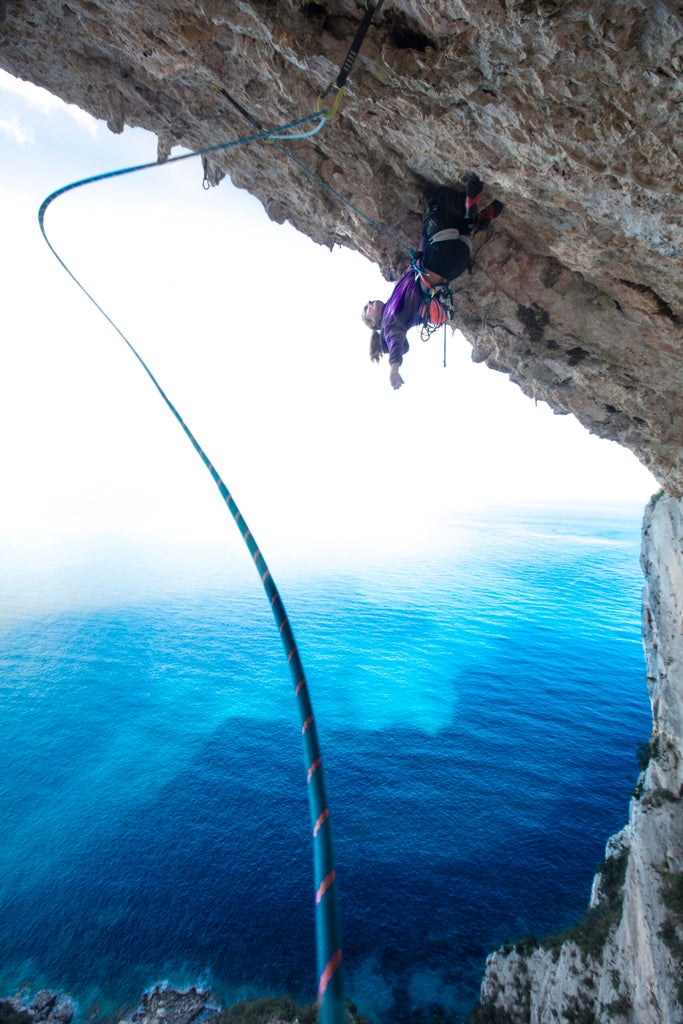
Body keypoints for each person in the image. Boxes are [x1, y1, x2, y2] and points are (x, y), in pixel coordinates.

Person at [362, 175, 502, 390]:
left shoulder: (399, 301)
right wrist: (394, 370)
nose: (370, 303)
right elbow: (395, 343)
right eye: (367, 309)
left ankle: (473, 221)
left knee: (454, 226)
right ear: (374, 323)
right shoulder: (390, 324)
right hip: (439, 260)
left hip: (455, 263)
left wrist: (423, 234)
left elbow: (419, 253)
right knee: (436, 203)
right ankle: (469, 215)